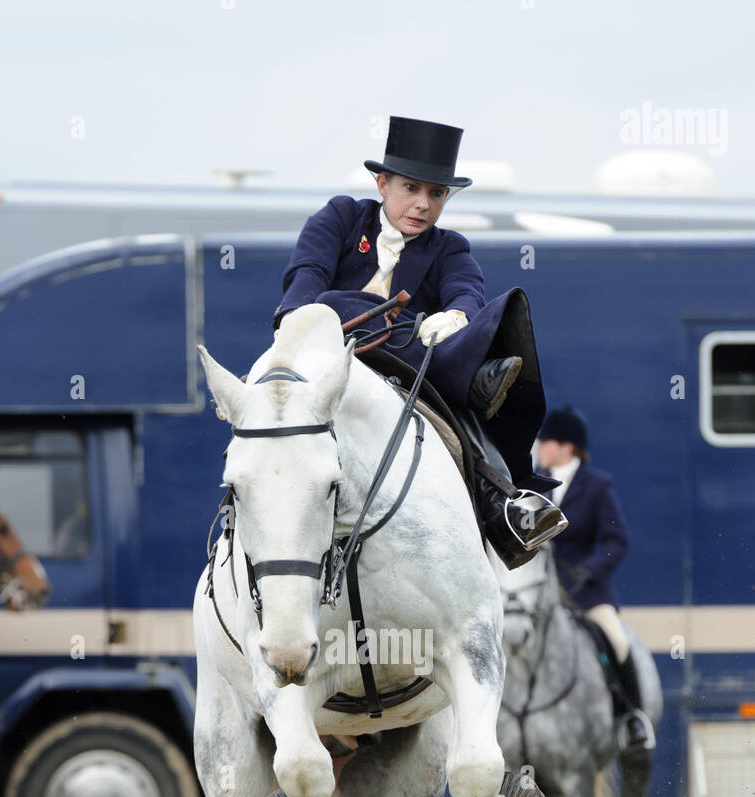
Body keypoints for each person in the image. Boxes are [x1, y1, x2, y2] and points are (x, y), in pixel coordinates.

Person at [273, 115, 567, 570]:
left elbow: (468, 291)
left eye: (436, 193)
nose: (424, 205)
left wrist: (454, 317)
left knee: (494, 320)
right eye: (411, 188)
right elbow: (308, 276)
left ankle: (504, 501)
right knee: (334, 302)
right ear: (382, 183)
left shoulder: (450, 247)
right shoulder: (339, 217)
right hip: (328, 354)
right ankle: (469, 375)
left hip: (410, 372)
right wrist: (304, 318)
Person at [536, 405, 656, 751]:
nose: (539, 447)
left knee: (617, 640)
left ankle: (634, 717)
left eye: (546, 441)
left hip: (587, 593)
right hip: (541, 596)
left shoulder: (597, 486)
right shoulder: (535, 486)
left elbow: (617, 541)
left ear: (566, 447)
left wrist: (588, 570)